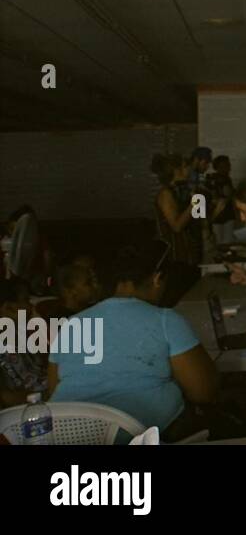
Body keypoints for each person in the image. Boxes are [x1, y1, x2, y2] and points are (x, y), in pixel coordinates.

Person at [47, 243, 219, 439]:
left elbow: (54, 387)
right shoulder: (165, 320)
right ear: (157, 279)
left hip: (66, 436)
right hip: (138, 437)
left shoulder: (71, 324)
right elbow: (203, 392)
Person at [0, 278, 47, 408]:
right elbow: (6, 397)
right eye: (25, 300)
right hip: (27, 410)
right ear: (8, 308)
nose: (31, 306)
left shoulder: (22, 334)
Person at [151, 154, 202, 266]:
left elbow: (199, 220)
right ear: (176, 171)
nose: (189, 169)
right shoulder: (165, 194)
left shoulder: (180, 191)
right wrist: (193, 204)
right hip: (173, 254)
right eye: (185, 166)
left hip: (188, 250)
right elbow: (177, 226)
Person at [207, 155, 238, 246]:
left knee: (225, 243)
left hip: (226, 215)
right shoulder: (213, 179)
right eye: (225, 166)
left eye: (228, 165)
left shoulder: (226, 179)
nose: (228, 168)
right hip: (217, 215)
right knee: (221, 243)